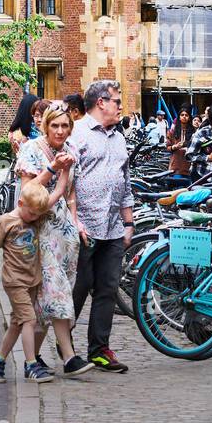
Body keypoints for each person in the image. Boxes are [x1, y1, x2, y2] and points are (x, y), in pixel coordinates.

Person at [14, 103, 93, 377]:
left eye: (65, 126)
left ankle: (29, 358)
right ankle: (69, 358)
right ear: (45, 126)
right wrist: (52, 168)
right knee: (55, 290)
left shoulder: (70, 151)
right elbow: (28, 192)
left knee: (46, 299)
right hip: (38, 231)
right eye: (55, 125)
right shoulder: (32, 150)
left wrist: (76, 220)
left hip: (64, 233)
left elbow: (71, 193)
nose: (60, 131)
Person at [70, 80, 134, 373]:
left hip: (112, 227)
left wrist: (129, 221)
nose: (120, 106)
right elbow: (67, 183)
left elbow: (126, 183)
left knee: (107, 289)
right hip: (85, 227)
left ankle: (99, 349)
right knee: (78, 289)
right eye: (117, 101)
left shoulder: (118, 137)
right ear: (100, 103)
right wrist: (75, 222)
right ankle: (66, 347)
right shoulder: (77, 134)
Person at [0, 180, 54, 383]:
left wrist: (63, 171)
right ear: (20, 203)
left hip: (32, 279)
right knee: (29, 320)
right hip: (14, 281)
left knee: (16, 323)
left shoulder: (36, 218)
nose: (35, 218)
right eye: (31, 213)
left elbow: (53, 199)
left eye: (38, 214)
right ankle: (31, 364)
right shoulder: (6, 221)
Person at [166, 106, 194, 177]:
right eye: (182, 115)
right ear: (179, 117)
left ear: (189, 117)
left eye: (186, 115)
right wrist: (174, 147)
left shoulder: (193, 131)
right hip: (176, 165)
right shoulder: (172, 131)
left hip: (189, 165)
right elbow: (167, 147)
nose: (184, 117)